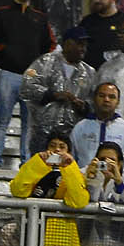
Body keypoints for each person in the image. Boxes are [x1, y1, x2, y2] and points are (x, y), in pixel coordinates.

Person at [0, 0, 50, 168]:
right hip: (8, 74)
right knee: (1, 120)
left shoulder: (40, 18)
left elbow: (51, 45)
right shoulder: (1, 13)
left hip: (31, 79)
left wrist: (39, 66)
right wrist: (6, 52)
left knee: (29, 125)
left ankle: (26, 161)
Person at [22, 26, 95, 157]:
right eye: (79, 44)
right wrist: (53, 95)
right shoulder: (45, 62)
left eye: (85, 45)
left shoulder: (89, 72)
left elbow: (93, 101)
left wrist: (83, 106)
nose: (83, 48)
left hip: (71, 135)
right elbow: (27, 86)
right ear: (67, 44)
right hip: (43, 132)